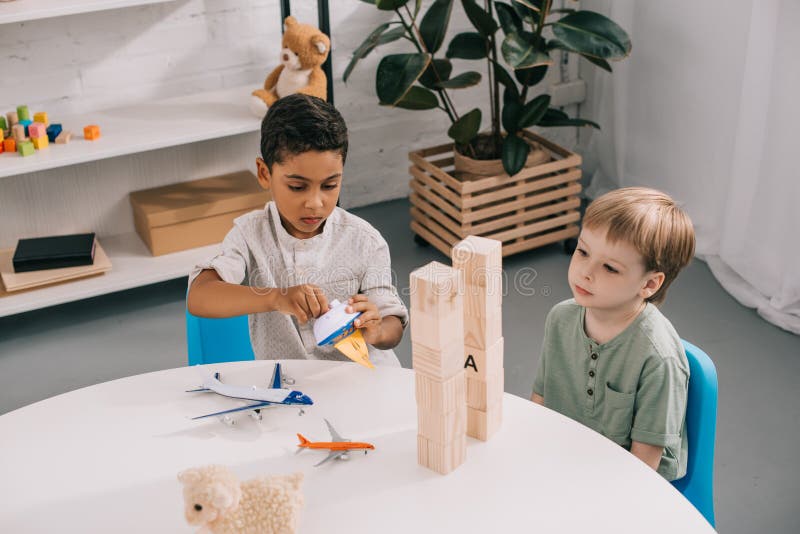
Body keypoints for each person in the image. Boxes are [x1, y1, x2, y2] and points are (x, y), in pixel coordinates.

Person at [187, 94, 407, 366]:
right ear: (264, 173)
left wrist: (377, 330)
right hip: (291, 388)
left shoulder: (365, 241)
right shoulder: (248, 235)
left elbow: (392, 323)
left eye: (329, 186)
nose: (315, 203)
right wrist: (276, 298)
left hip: (364, 380)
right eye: (297, 187)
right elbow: (200, 296)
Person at [531, 187, 696, 480]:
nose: (586, 271)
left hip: (625, 481)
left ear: (649, 284)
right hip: (563, 461)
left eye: (609, 267)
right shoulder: (560, 318)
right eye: (582, 251)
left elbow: (645, 463)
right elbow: (540, 399)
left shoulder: (659, 357)